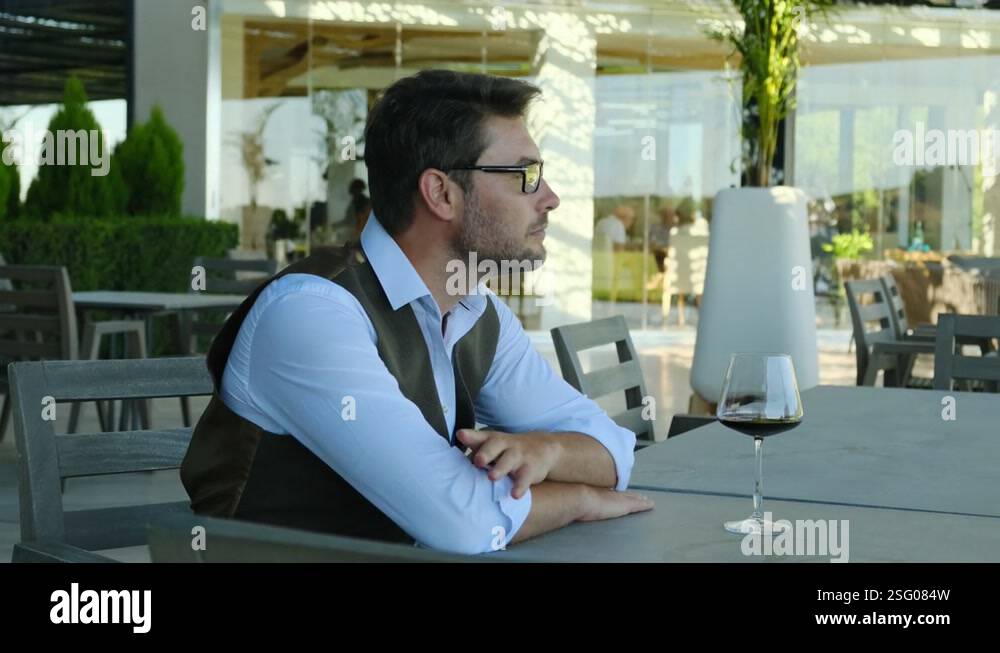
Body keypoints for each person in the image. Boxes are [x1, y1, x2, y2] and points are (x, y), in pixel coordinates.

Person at [180, 69, 653, 555]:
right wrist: (577, 498)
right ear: (441, 193)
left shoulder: (474, 310)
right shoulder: (312, 313)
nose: (550, 197)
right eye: (525, 175)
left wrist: (549, 450)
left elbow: (613, 445)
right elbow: (466, 524)